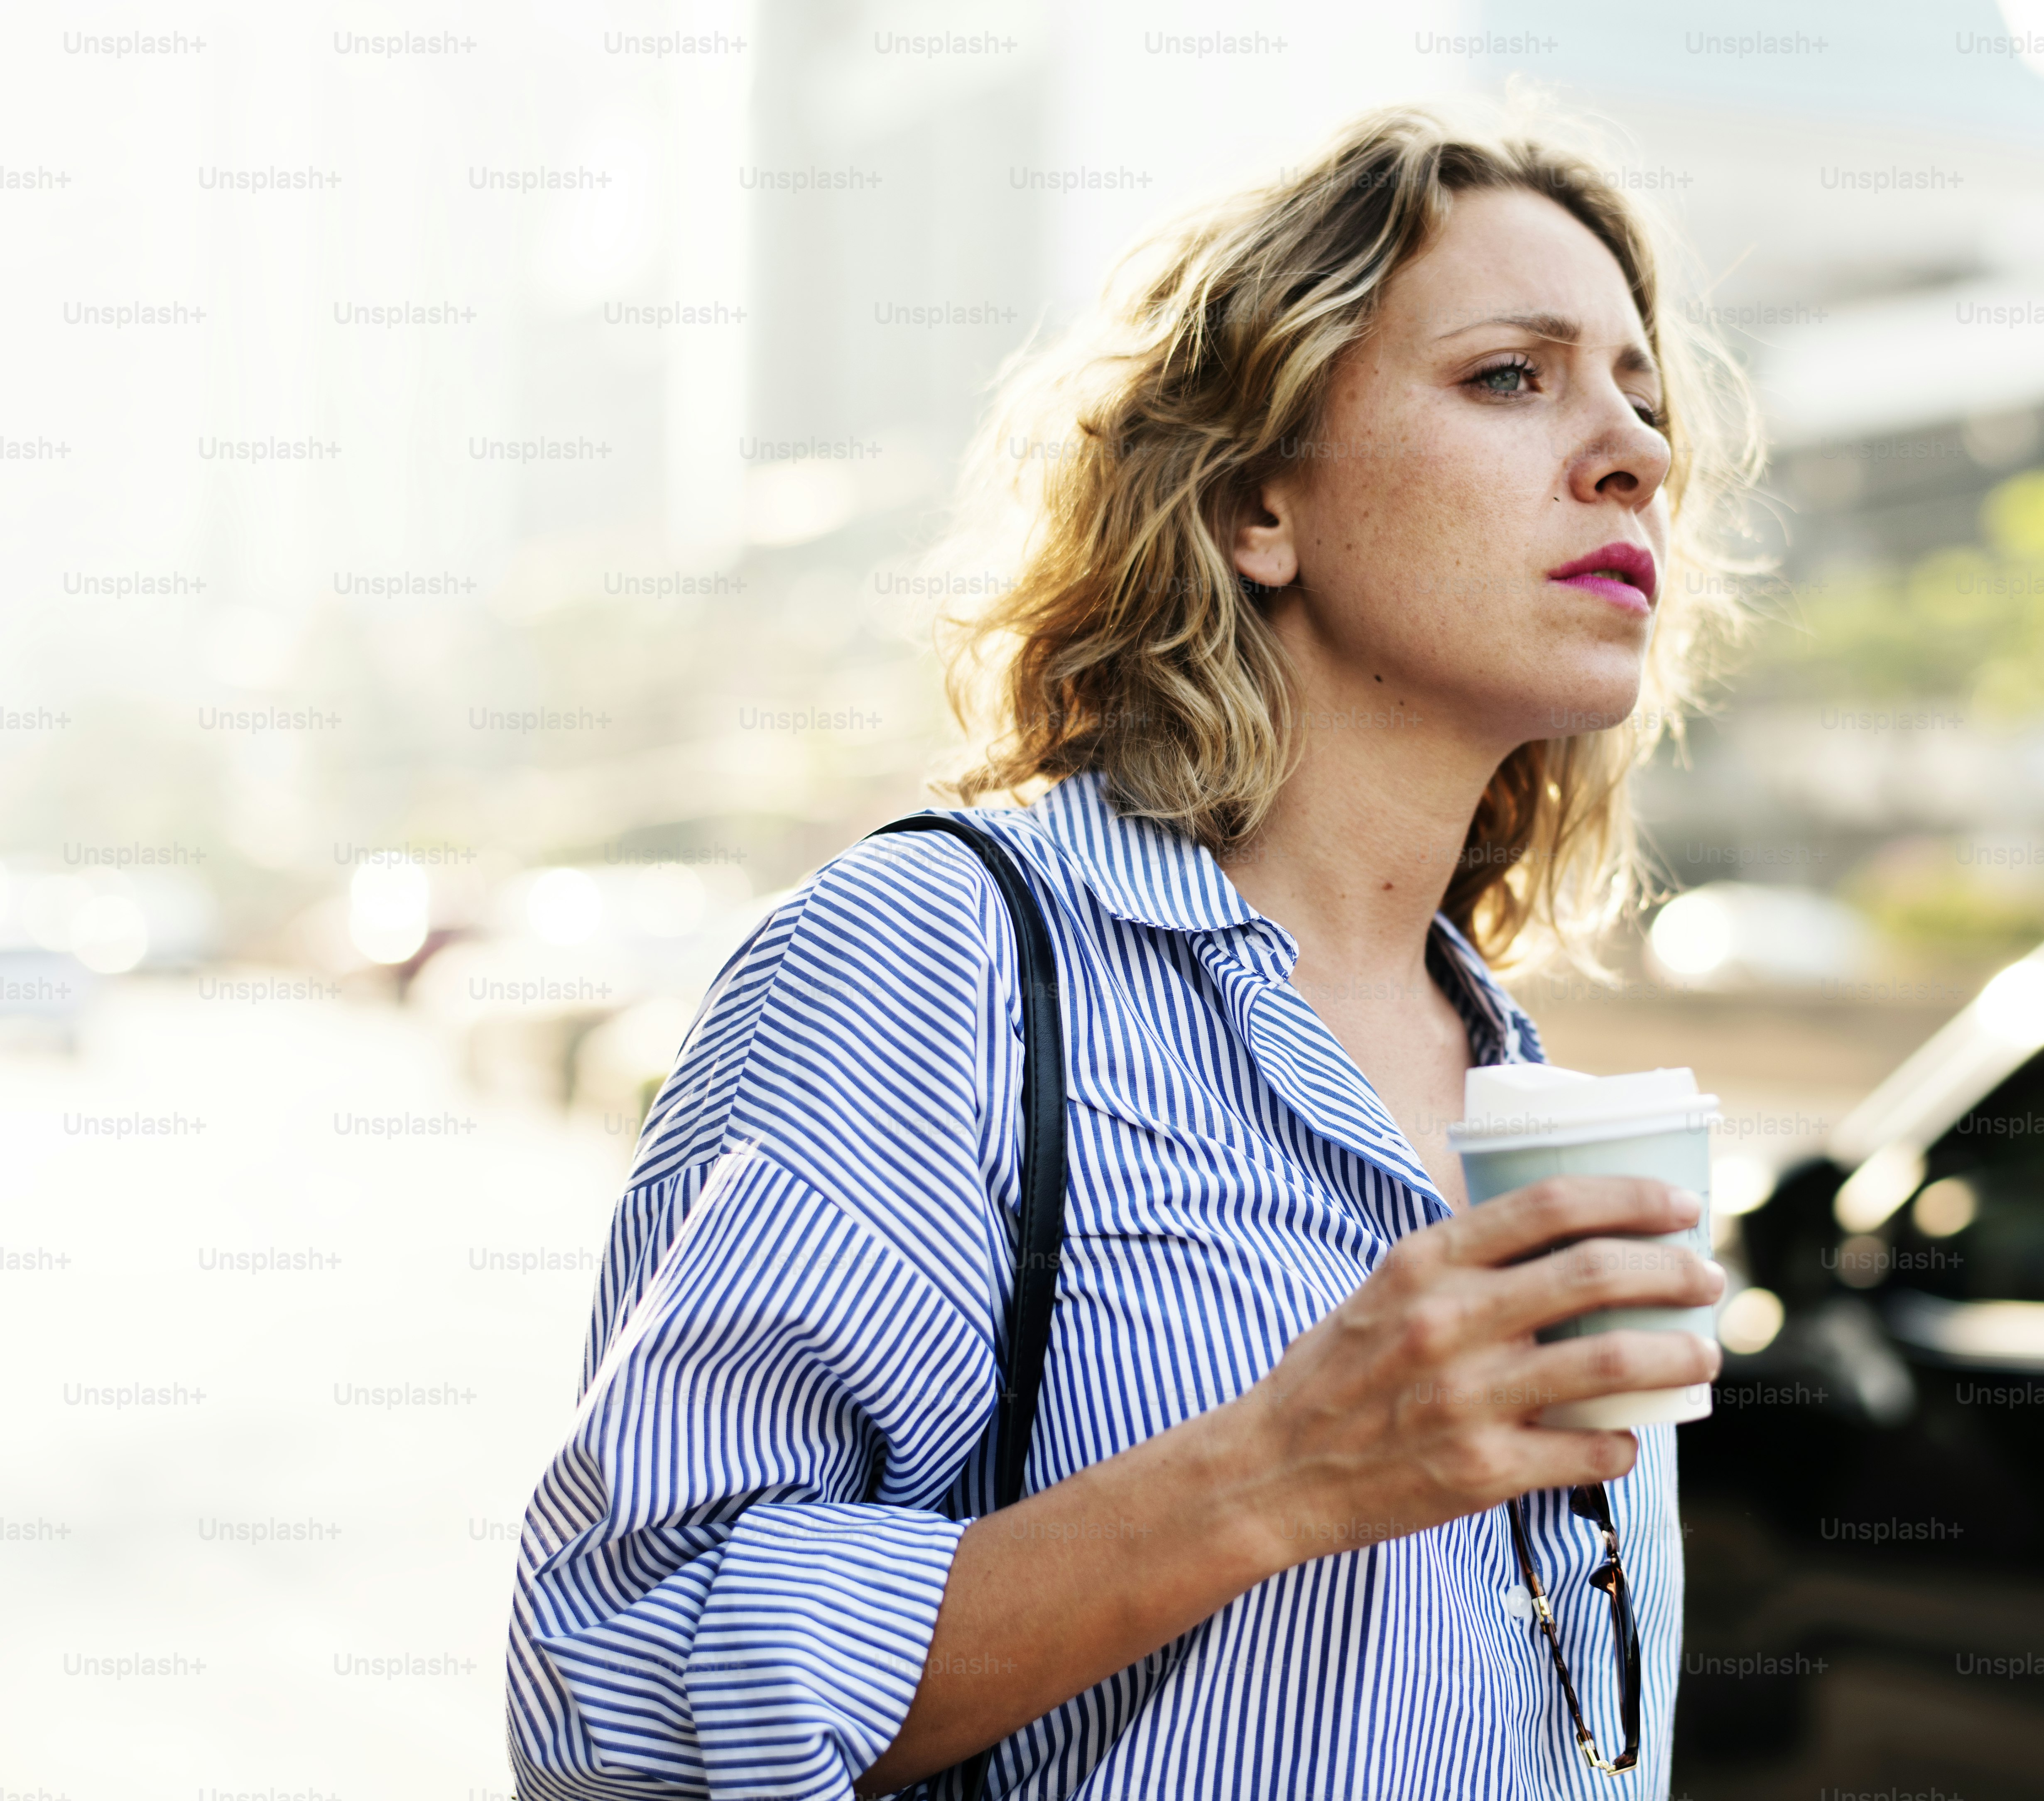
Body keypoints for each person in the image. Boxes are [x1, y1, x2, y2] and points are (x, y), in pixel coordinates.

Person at [504, 99, 1760, 1801]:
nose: (1632, 452)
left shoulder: (1517, 1086)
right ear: (1255, 498)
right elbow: (618, 1691)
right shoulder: (937, 965)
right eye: (1508, 377)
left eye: (1640, 394)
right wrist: (1271, 1470)